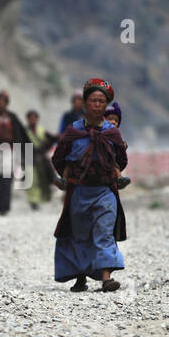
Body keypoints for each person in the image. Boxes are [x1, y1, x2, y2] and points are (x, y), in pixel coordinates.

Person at [52, 78, 127, 292]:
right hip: (79, 191)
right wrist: (66, 174)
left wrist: (113, 171)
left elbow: (122, 159)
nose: (97, 105)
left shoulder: (112, 133)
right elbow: (58, 158)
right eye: (93, 100)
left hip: (105, 191)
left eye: (101, 101)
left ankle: (106, 279)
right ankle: (81, 277)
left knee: (104, 231)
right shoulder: (72, 131)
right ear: (85, 103)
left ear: (106, 104)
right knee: (80, 234)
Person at [24, 110, 56, 210]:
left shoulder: (41, 130)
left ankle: (42, 198)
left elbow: (52, 139)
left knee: (42, 178)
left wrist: (45, 147)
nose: (32, 120)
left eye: (34, 118)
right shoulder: (24, 131)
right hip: (29, 156)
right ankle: (33, 201)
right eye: (30, 118)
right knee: (31, 180)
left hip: (40, 157)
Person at [103, 102, 132, 189]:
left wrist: (123, 145)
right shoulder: (99, 130)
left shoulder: (117, 134)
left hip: (111, 158)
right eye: (110, 119)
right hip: (98, 153)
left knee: (115, 165)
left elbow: (120, 144)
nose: (113, 122)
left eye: (116, 120)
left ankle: (119, 179)